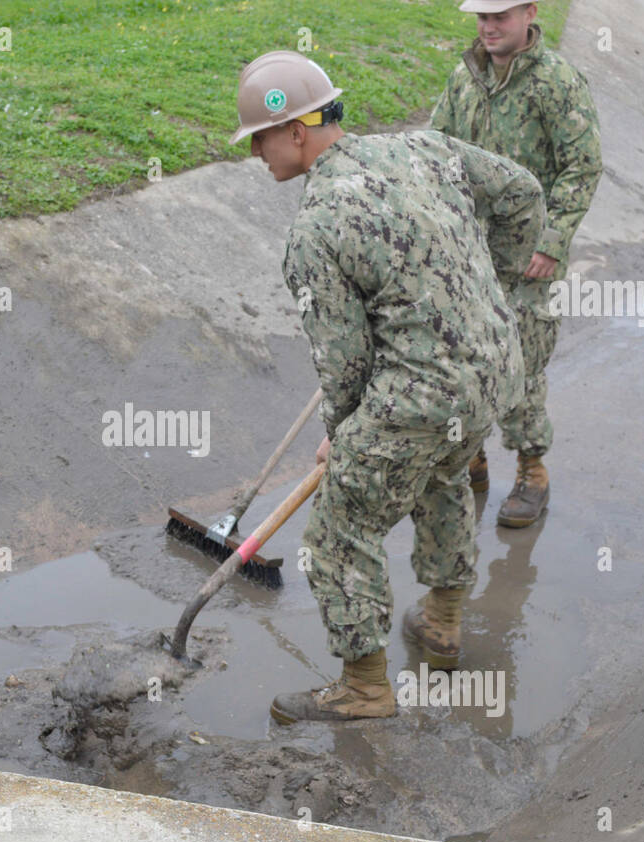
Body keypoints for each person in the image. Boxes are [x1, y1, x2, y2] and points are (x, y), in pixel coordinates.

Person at [227, 51, 544, 721]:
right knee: (443, 478)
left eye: (258, 136)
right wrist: (496, 284)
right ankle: (442, 623)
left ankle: (365, 687)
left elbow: (344, 365)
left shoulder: (315, 229)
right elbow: (522, 193)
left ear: (297, 131)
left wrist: (345, 441)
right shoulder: (423, 149)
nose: (254, 152)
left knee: (341, 525)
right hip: (496, 367)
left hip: (425, 391)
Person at [431, 0, 603, 527]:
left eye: (500, 16)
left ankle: (532, 471)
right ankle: (472, 457)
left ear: (529, 13)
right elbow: (436, 147)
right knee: (462, 361)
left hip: (530, 261)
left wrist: (552, 242)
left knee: (521, 369)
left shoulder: (557, 82)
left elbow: (583, 166)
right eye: (481, 17)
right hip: (471, 254)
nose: (488, 27)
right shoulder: (465, 78)